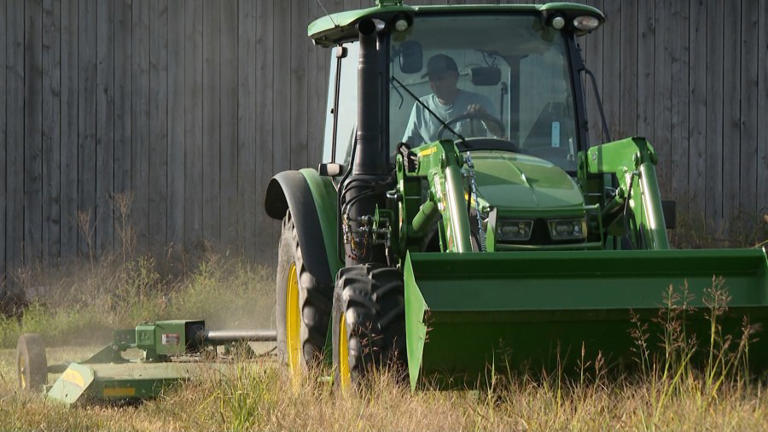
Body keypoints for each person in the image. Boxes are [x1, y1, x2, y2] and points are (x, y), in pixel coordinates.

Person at [402, 54, 503, 146]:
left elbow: (499, 135)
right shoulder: (421, 106)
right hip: (434, 164)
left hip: (473, 161)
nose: (436, 84)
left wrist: (484, 117)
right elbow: (408, 143)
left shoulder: (480, 103)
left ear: (455, 77)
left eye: (440, 78)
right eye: (432, 79)